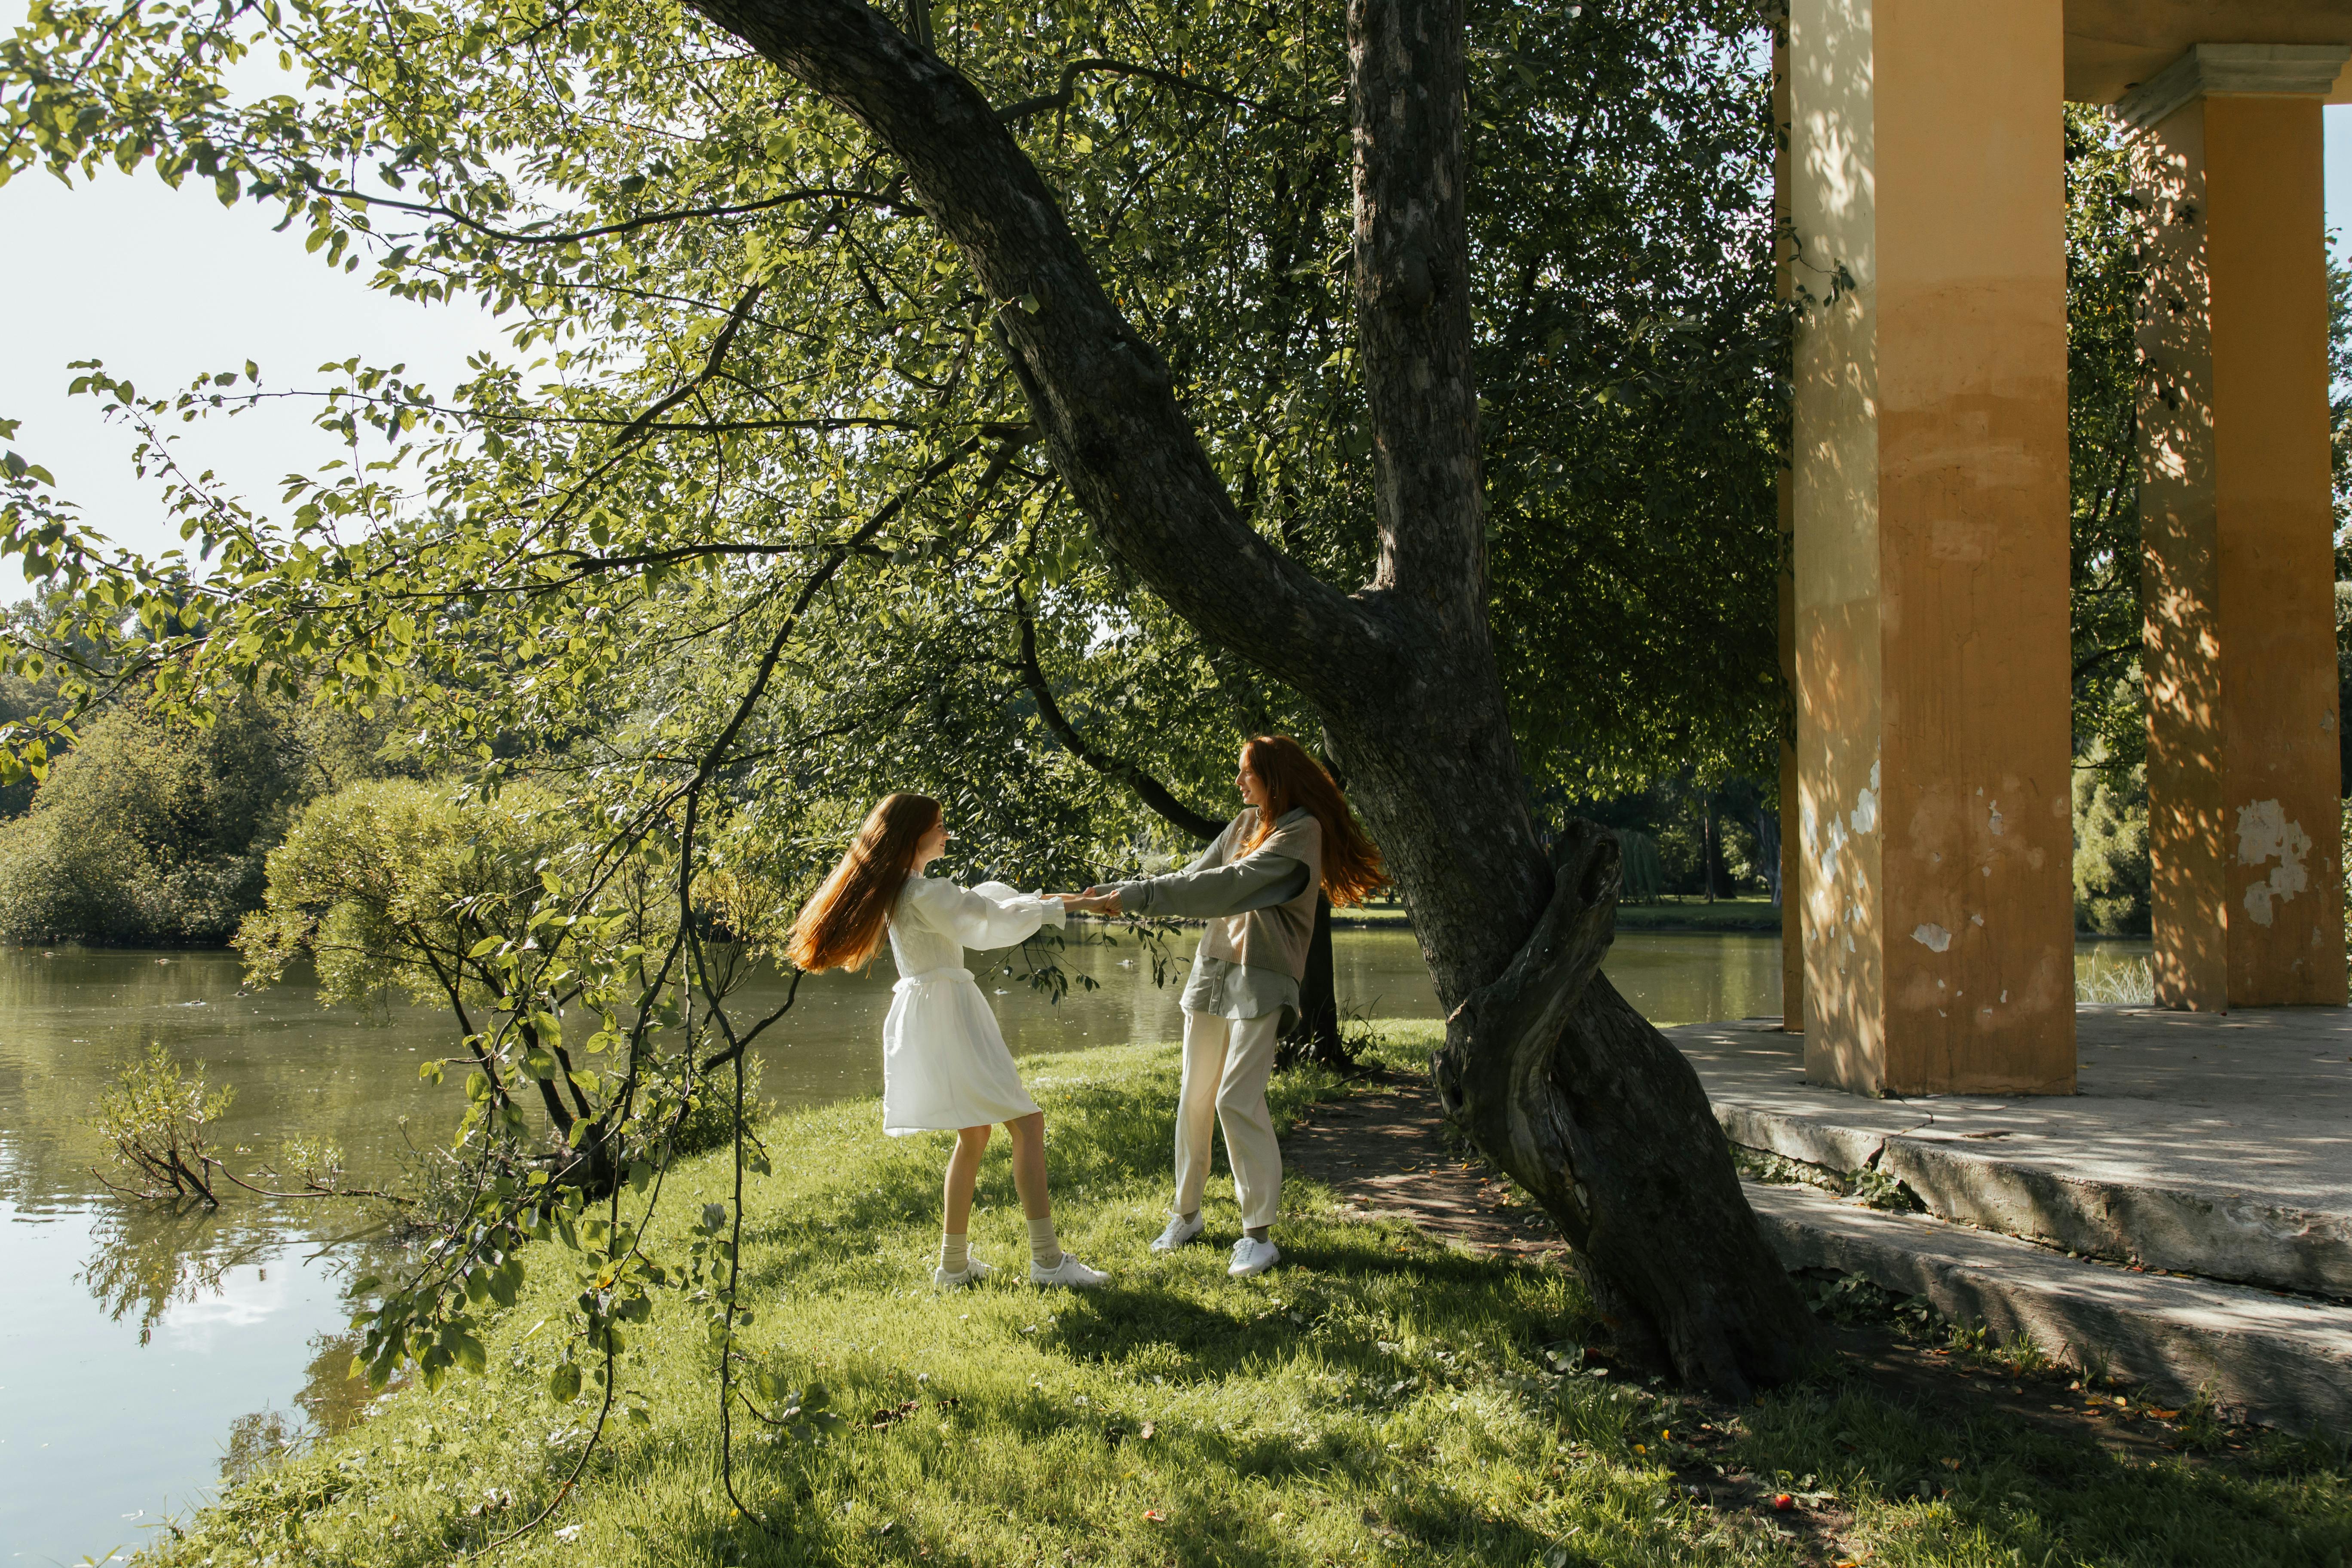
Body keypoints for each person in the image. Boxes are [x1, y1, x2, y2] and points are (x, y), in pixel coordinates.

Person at [1059, 736, 1386, 1277]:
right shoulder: (1243, 824)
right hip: (1213, 970)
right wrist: (1115, 893)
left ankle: (1258, 1235)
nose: (1239, 784)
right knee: (1195, 1097)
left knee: (1236, 1098)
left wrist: (1138, 896)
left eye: (1246, 774)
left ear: (1275, 777)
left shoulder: (1303, 833)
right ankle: (1186, 1215)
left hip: (1263, 976)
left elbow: (1229, 887)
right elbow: (1193, 878)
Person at [787, 793, 1106, 1290]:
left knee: (976, 1133)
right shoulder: (920, 894)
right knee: (1027, 1123)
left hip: (931, 1011)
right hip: (948, 1011)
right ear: (914, 835)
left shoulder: (910, 890)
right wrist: (1067, 905)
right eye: (939, 825)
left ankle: (953, 1267)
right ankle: (1047, 1261)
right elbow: (983, 919)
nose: (947, 833)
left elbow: (983, 902)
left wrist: (1063, 901)